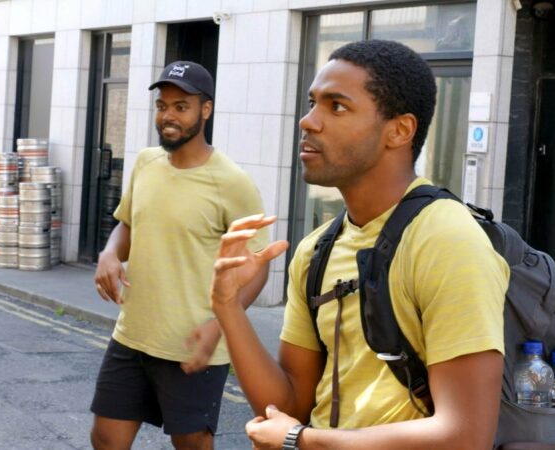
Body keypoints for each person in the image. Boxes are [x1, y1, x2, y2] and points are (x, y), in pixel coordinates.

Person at [209, 40, 510, 449]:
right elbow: (288, 405)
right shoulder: (316, 250)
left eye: (336, 106)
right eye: (312, 102)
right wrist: (228, 307)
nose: (308, 121)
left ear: (399, 130)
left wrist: (301, 440)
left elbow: (464, 436)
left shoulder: (447, 240)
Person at [90, 60, 270, 450]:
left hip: (193, 344)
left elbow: (257, 268)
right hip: (133, 335)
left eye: (181, 106)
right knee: (105, 439)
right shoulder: (145, 163)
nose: (168, 116)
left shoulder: (233, 183)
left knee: (191, 444)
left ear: (205, 110)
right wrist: (108, 253)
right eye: (162, 106)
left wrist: (222, 323)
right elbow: (128, 225)